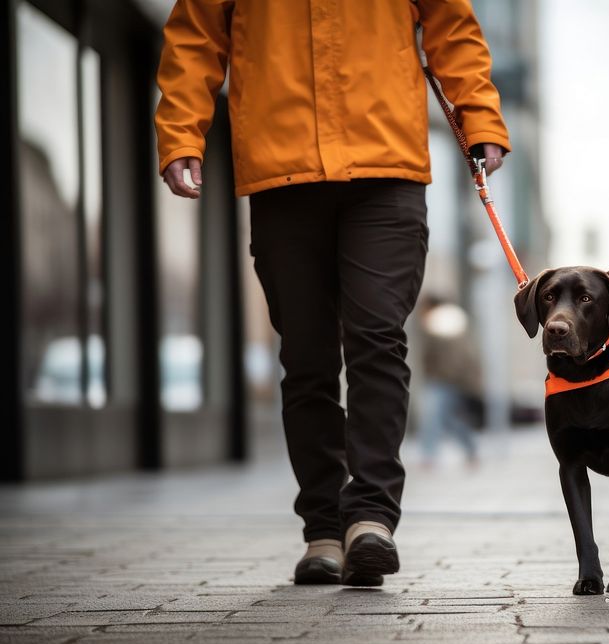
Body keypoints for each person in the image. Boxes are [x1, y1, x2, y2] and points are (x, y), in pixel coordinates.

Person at [154, 1, 510, 586]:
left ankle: (370, 517)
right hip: (282, 171)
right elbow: (194, 39)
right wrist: (181, 135)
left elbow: (452, 29)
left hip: (386, 169)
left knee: (376, 336)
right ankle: (323, 528)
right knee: (308, 356)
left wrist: (481, 118)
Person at [418, 296, 481, 468]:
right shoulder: (453, 320)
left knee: (432, 417)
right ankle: (471, 451)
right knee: (449, 419)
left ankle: (428, 456)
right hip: (456, 379)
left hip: (442, 378)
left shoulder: (437, 322)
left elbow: (431, 355)